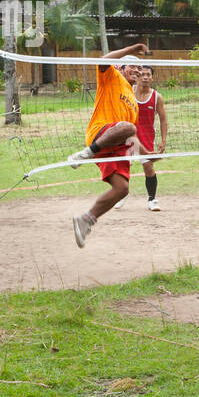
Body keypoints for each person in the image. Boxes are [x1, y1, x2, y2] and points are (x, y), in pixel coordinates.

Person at [66, 43, 151, 247]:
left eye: (140, 69)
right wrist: (130, 50)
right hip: (100, 134)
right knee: (128, 127)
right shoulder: (111, 76)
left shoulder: (132, 99)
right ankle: (85, 153)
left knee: (122, 189)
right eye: (133, 67)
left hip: (118, 145)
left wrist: (148, 154)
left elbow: (133, 137)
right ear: (121, 68)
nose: (137, 71)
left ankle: (86, 220)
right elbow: (104, 60)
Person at [132, 65, 167, 211]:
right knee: (121, 165)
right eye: (142, 74)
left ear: (152, 78)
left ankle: (152, 199)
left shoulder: (156, 97)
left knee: (148, 167)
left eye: (148, 75)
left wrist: (163, 140)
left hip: (146, 137)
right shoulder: (128, 91)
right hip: (127, 136)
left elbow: (163, 119)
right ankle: (120, 194)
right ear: (137, 77)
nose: (145, 77)